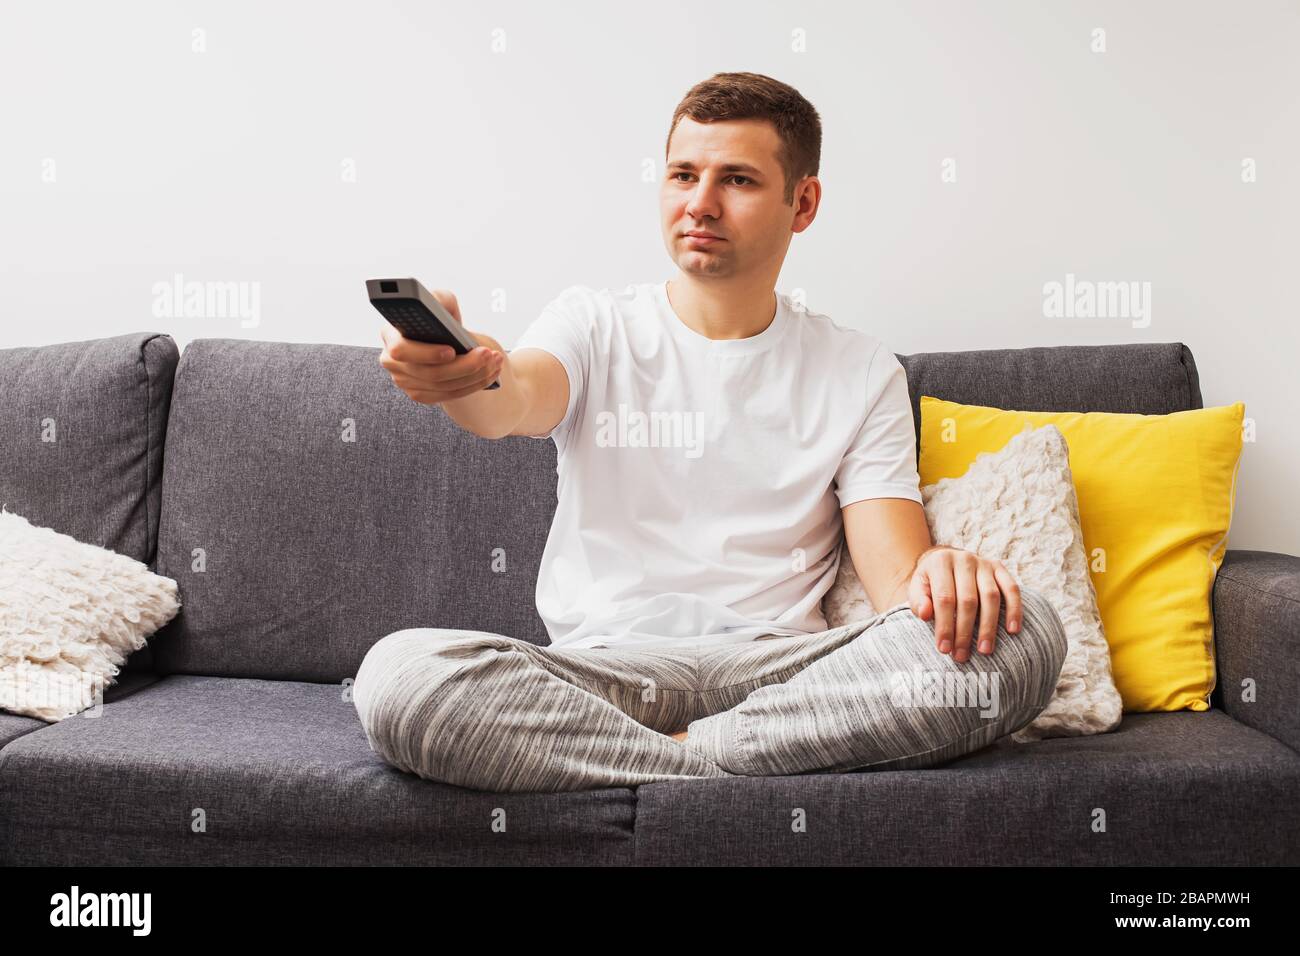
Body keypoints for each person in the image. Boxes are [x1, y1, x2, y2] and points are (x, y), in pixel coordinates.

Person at [353, 71, 1067, 793]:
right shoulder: (595, 324)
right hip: (605, 674)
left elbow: (896, 587)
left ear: (804, 203)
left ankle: (672, 760)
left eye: (738, 180)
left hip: (788, 676)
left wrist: (947, 579)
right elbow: (513, 398)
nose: (700, 203)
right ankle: (720, 762)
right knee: (401, 678)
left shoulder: (860, 369)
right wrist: (467, 373)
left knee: (1026, 635)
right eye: (683, 174)